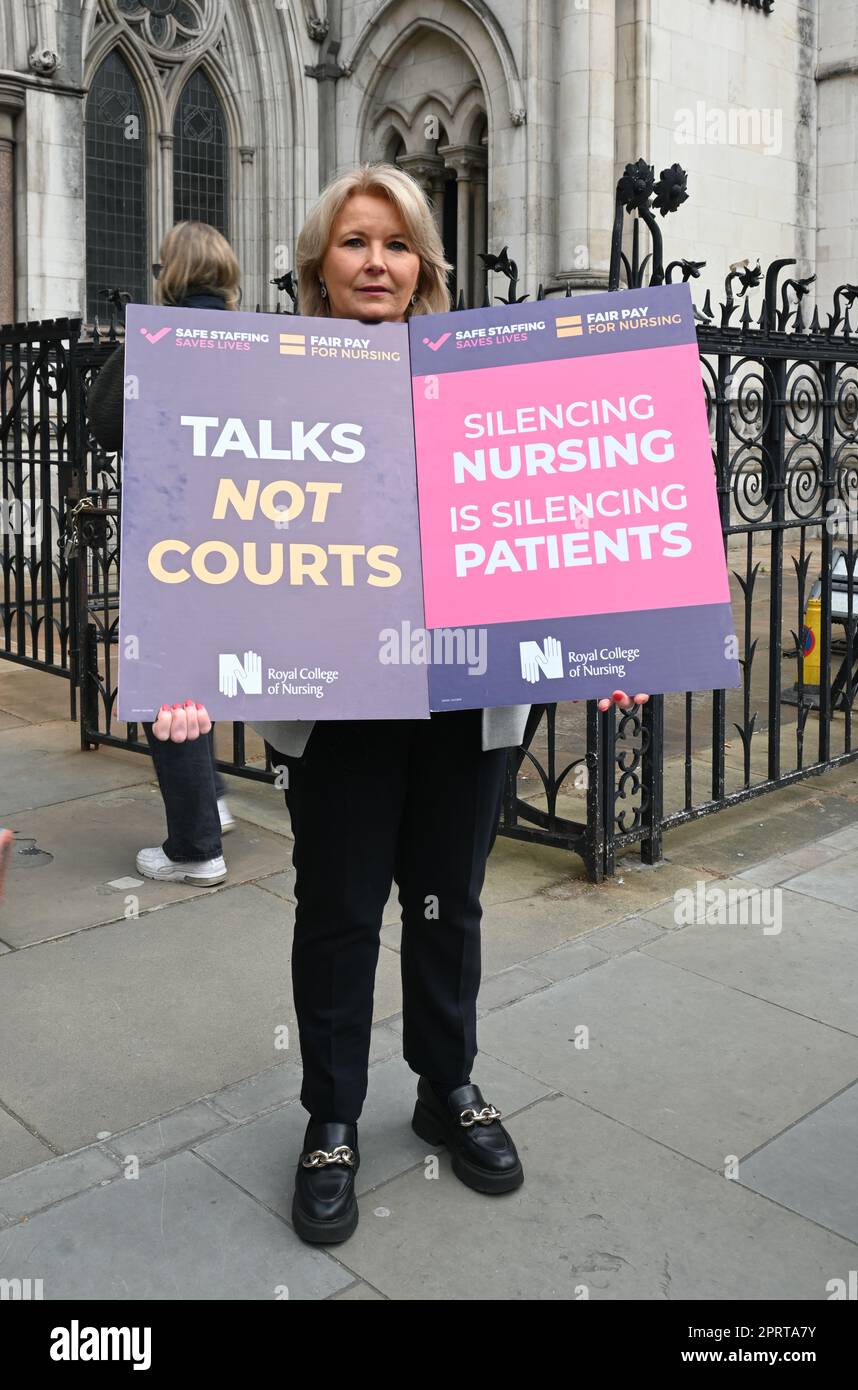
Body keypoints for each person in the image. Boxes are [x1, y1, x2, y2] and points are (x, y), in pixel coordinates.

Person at [149, 165, 648, 1244]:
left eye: (395, 243)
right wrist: (180, 663)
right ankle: (330, 1114)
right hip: (336, 703)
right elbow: (210, 528)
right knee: (336, 908)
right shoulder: (264, 377)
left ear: (423, 262)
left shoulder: (485, 376)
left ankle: (444, 1086)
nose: (376, 261)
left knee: (445, 901)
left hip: (461, 695)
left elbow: (554, 524)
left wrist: (609, 639)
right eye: (353, 242)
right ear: (316, 263)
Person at [88, 221, 238, 885]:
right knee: (202, 672)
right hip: (243, 532)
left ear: (170, 274)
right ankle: (214, 801)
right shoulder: (248, 339)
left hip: (171, 538)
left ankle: (196, 847)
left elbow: (104, 419)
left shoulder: (158, 336)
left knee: (164, 679)